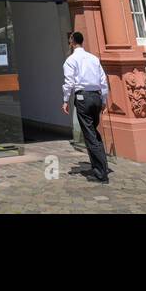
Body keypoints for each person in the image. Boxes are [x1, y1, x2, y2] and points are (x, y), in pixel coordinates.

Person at [62, 31, 109, 182]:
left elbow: (69, 82)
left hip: (83, 98)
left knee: (89, 134)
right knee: (93, 132)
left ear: (72, 42)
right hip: (96, 96)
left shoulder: (70, 60)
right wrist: (103, 99)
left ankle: (101, 173)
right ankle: (101, 165)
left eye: (70, 40)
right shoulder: (94, 58)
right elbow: (103, 80)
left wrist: (65, 100)